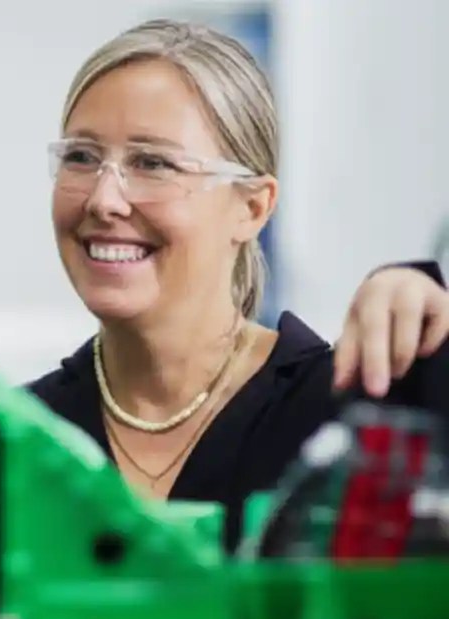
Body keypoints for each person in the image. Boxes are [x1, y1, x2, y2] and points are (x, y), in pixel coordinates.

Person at [28, 19, 449, 546]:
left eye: (153, 163)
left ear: (253, 207)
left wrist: (430, 326)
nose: (103, 200)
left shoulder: (343, 417)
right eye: (81, 157)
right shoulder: (22, 441)